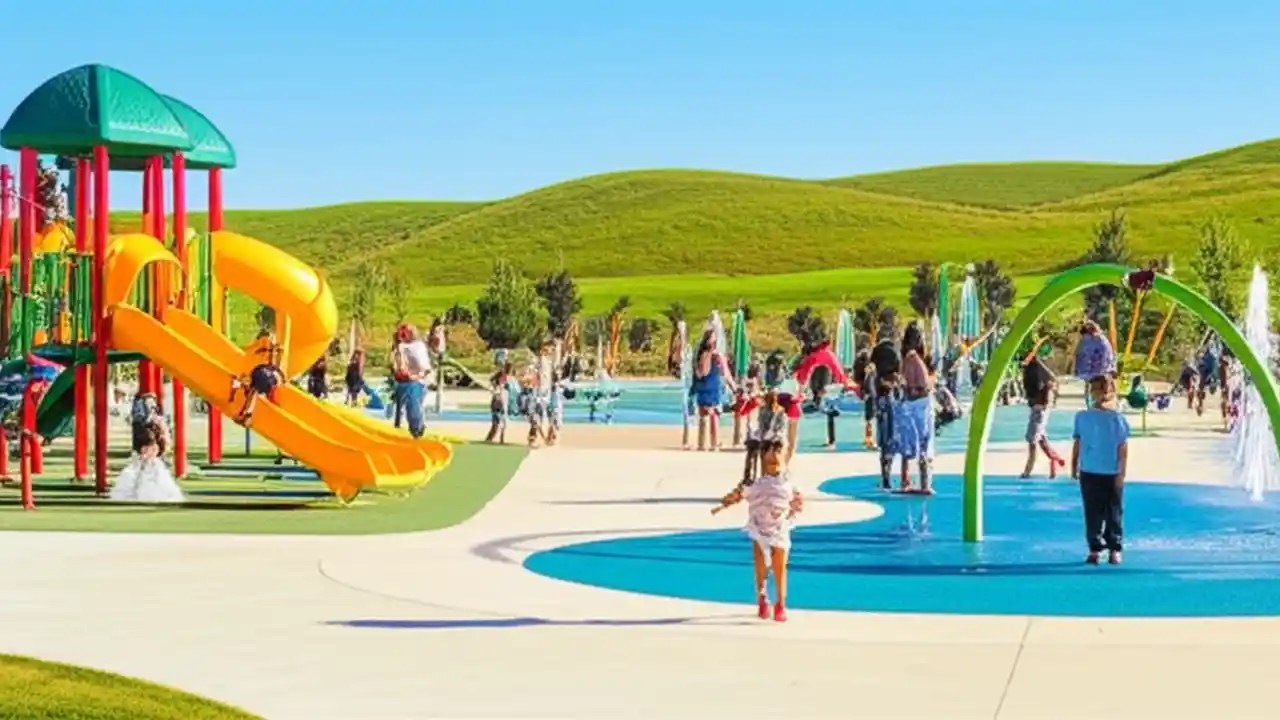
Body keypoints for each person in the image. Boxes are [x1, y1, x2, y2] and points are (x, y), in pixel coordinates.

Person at [713, 435, 803, 622]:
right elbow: (739, 495)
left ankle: (780, 603)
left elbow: (797, 502)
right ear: (762, 457)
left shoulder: (788, 484)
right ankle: (762, 597)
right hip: (758, 528)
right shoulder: (756, 484)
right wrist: (727, 500)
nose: (773, 456)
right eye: (769, 452)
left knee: (780, 568)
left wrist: (796, 506)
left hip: (780, 529)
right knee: (760, 566)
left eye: (778, 452)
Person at [1071, 375, 1130, 565]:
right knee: (1092, 510)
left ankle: (1114, 547)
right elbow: (1078, 442)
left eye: (1104, 390)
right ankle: (1095, 547)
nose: (1100, 394)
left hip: (1111, 470)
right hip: (1089, 469)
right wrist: (1074, 465)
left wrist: (1121, 471)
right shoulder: (1082, 417)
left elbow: (1122, 447)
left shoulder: (1117, 419)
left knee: (1113, 510)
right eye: (1096, 390)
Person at [110, 393, 184, 503]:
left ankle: (146, 492)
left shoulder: (156, 421)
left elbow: (163, 438)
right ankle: (137, 492)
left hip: (152, 446)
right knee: (142, 471)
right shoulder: (142, 422)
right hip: (147, 446)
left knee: (152, 471)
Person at [895, 322, 935, 493]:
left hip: (907, 404)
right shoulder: (917, 361)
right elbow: (925, 386)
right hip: (921, 404)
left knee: (907, 443)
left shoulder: (904, 361)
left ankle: (905, 481)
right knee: (924, 442)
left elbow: (903, 384)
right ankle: (925, 484)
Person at [1021, 356, 1065, 479]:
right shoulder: (1036, 376)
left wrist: (1039, 362)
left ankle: (1028, 470)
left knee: (1033, 441)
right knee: (1040, 440)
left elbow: (1052, 379)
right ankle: (1055, 459)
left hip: (1039, 410)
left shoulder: (1037, 375)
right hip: (1039, 410)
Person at [691, 328, 736, 451]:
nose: (714, 341)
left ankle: (713, 443)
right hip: (705, 387)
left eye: (715, 338)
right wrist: (709, 354)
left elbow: (726, 373)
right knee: (705, 415)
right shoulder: (702, 355)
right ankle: (702, 444)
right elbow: (702, 373)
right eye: (711, 338)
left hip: (714, 388)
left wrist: (734, 388)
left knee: (715, 415)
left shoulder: (719, 356)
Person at [232, 337, 285, 427]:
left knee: (254, 391)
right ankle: (246, 415)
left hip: (267, 378)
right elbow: (273, 364)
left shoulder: (263, 373)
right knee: (253, 390)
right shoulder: (265, 371)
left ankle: (247, 415)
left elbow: (273, 364)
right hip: (267, 378)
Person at [392, 324, 431, 438]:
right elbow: (396, 364)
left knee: (412, 399)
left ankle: (417, 428)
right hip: (402, 380)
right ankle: (399, 426)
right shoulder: (399, 348)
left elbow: (425, 369)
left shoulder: (418, 347)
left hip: (417, 381)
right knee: (400, 401)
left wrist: (416, 376)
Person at [486, 362, 513, 444]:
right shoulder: (504, 377)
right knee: (500, 420)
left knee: (496, 421)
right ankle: (499, 438)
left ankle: (491, 438)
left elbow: (493, 382)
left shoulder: (503, 376)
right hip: (500, 400)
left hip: (498, 399)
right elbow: (501, 387)